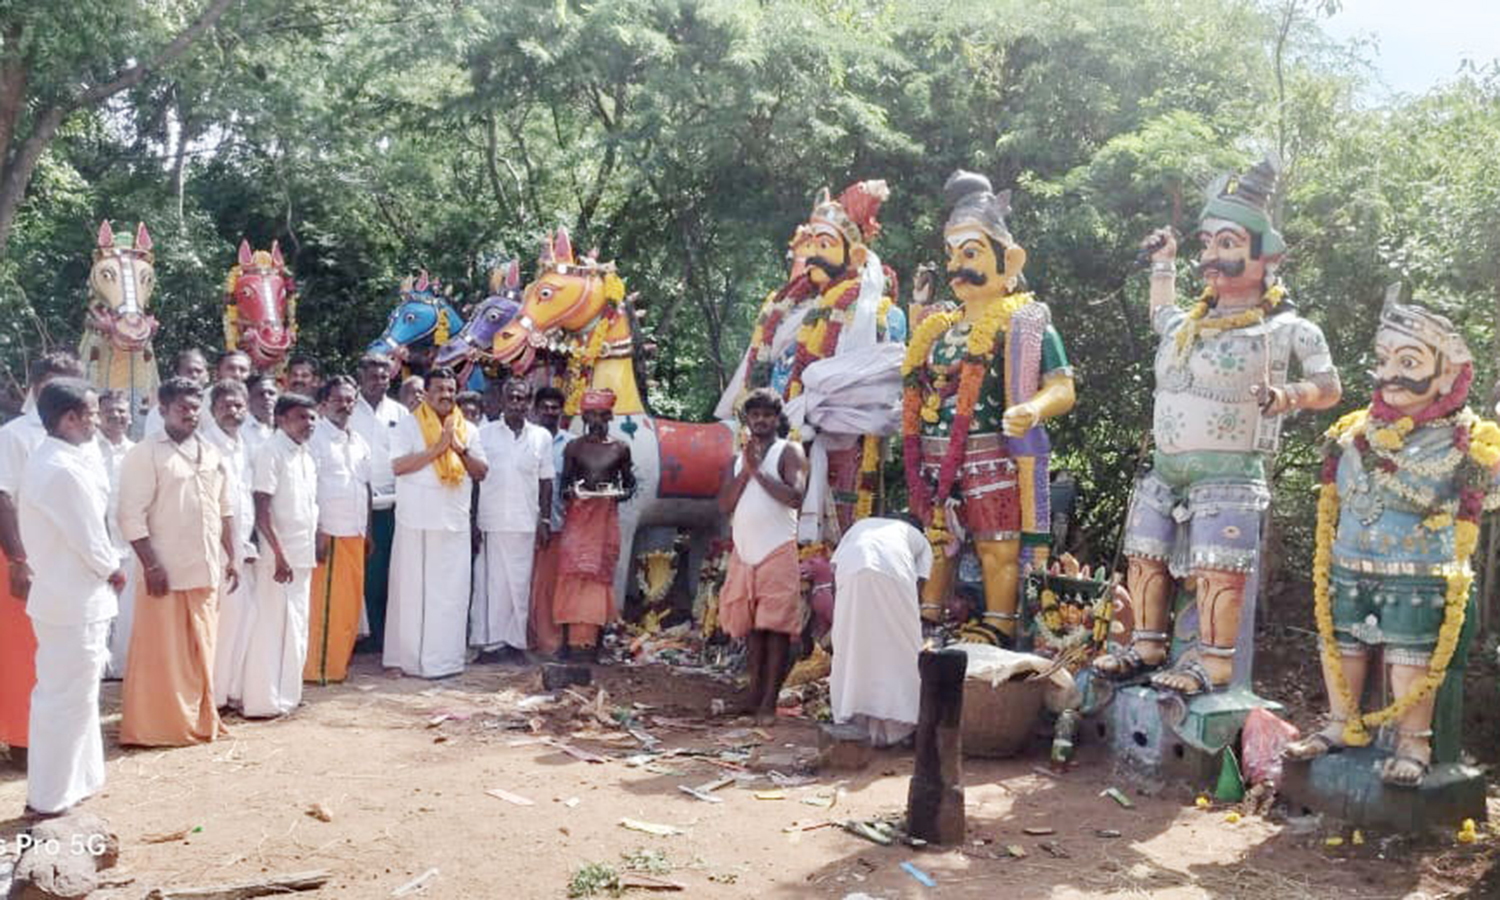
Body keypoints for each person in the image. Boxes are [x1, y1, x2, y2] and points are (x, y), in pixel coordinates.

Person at [1092, 158, 1342, 694]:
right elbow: (1162, 313)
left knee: (1216, 567)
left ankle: (1215, 664)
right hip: (1165, 469)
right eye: (1207, 245)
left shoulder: (1285, 329)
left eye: (1227, 245)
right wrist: (1165, 263)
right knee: (1144, 553)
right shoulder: (1187, 325)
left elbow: (1329, 386)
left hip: (1228, 473)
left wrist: (1286, 396)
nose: (1212, 259)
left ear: (1264, 255)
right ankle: (1145, 647)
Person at [1284, 299, 1499, 786]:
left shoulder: (1466, 441)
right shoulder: (1356, 431)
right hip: (1350, 563)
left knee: (1409, 655)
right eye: (1384, 361)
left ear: (1447, 375)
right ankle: (1342, 724)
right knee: (1341, 646)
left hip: (1417, 569)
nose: (1390, 374)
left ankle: (1412, 743)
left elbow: (1486, 500)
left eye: (1409, 362)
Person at [903, 171, 1076, 646]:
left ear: (1010, 260)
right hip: (936, 458)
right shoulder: (940, 327)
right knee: (938, 543)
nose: (958, 267)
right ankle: (929, 615)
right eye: (952, 255)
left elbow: (1063, 387)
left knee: (997, 544)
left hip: (993, 456)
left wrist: (1033, 409)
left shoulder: (1025, 321)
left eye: (972, 253)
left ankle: (998, 621)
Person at [19, 379, 125, 816]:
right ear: (70, 419)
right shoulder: (59, 468)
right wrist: (113, 569)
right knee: (62, 700)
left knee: (78, 697)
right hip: (71, 599)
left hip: (74, 597)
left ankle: (76, 782)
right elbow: (90, 539)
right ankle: (48, 798)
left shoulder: (64, 458)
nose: (98, 423)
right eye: (93, 415)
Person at [117, 377, 238, 746]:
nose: (190, 414)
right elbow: (130, 517)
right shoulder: (145, 453)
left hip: (205, 569)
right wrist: (151, 565)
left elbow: (225, 509)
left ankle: (200, 721)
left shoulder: (212, 452)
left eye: (195, 407)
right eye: (183, 407)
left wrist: (232, 556)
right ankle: (154, 729)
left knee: (204, 648)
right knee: (161, 654)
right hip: (164, 573)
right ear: (163, 410)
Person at [0, 351, 86, 762]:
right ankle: (22, 740)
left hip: (66, 558)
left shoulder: (83, 432)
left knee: (60, 650)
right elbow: (3, 497)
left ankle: (57, 740)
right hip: (26, 559)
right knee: (23, 651)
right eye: (57, 383)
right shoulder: (17, 434)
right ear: (36, 387)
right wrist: (18, 560)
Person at [385, 367, 487, 678]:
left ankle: (444, 661)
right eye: (439, 389)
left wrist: (458, 447)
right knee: (411, 593)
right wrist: (436, 450)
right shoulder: (407, 425)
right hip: (415, 520)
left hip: (452, 521)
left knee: (450, 594)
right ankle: (410, 661)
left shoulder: (467, 429)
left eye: (450, 390)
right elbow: (399, 466)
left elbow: (481, 471)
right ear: (426, 394)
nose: (446, 395)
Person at [717, 388, 807, 725]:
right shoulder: (737, 460)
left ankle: (769, 702)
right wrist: (746, 469)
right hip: (744, 552)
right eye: (754, 415)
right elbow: (724, 504)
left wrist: (758, 470)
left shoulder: (790, 451)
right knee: (753, 629)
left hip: (777, 550)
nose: (760, 420)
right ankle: (754, 697)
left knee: (776, 630)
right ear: (747, 419)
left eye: (767, 415)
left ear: (777, 418)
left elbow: (795, 496)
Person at [240, 393, 319, 717]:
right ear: (282, 419)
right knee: (270, 627)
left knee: (296, 627)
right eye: (302, 417)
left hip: (302, 553)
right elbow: (262, 509)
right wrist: (279, 554)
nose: (309, 424)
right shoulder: (270, 452)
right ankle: (262, 701)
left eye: (312, 418)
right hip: (278, 557)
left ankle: (288, 696)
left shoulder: (305, 454)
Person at [829, 516, 932, 747]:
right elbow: (917, 591)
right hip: (894, 573)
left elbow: (834, 570)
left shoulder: (861, 525)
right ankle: (900, 724)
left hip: (851, 571)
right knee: (902, 648)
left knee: (853, 643)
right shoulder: (922, 541)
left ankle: (851, 715)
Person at [471, 379, 552, 662]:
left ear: (530, 403)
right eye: (512, 398)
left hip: (525, 521)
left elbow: (545, 481)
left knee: (519, 584)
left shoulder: (542, 437)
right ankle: (490, 646)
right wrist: (473, 524)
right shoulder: (484, 434)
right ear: (502, 401)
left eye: (522, 398)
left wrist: (544, 519)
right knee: (489, 586)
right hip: (490, 520)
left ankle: (516, 644)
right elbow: (475, 483)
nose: (517, 403)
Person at [553, 388, 634, 659]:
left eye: (602, 414)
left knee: (600, 578)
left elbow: (629, 487)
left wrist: (613, 494)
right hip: (578, 521)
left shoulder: (620, 449)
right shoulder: (574, 447)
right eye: (591, 414)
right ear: (584, 417)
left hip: (605, 522)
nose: (597, 420)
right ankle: (566, 643)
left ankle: (596, 645)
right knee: (571, 577)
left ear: (610, 416)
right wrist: (574, 493)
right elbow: (564, 487)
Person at [305, 376, 371, 683]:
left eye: (349, 400)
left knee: (349, 606)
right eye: (338, 400)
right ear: (323, 404)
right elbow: (310, 487)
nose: (345, 406)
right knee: (324, 605)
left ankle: (337, 667)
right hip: (329, 531)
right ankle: (318, 670)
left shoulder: (358, 441)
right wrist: (318, 530)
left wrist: (367, 530)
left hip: (354, 532)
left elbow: (365, 487)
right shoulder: (315, 438)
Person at [200, 379, 258, 710]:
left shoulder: (243, 445)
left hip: (239, 549)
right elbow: (217, 507)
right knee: (222, 626)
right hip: (217, 551)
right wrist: (232, 552)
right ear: (213, 410)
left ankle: (225, 693)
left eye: (238, 405)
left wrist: (243, 547)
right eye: (225, 405)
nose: (232, 411)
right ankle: (213, 698)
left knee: (242, 620)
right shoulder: (207, 447)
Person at [350, 353, 407, 651]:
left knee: (387, 573)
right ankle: (361, 637)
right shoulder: (348, 409)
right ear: (361, 377)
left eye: (384, 377)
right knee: (362, 573)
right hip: (356, 505)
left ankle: (384, 638)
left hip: (392, 504)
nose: (378, 382)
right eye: (372, 376)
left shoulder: (400, 412)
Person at [528, 386, 570, 655]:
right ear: (536, 409)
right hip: (523, 524)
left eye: (555, 408)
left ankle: (548, 642)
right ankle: (522, 639)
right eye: (545, 407)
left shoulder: (572, 444)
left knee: (548, 587)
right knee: (524, 583)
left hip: (558, 526)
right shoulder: (528, 438)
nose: (550, 412)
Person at [98, 390, 137, 680]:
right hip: (97, 544)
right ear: (98, 416)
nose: (116, 416)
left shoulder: (137, 453)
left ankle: (121, 672)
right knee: (99, 611)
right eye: (109, 411)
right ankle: (98, 670)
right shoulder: (87, 450)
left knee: (126, 613)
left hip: (129, 543)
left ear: (131, 416)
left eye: (122, 411)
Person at [143, 348, 209, 437]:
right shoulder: (161, 412)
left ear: (207, 376)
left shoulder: (218, 405)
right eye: (189, 371)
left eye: (199, 371)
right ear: (177, 375)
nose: (194, 375)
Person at [244, 373, 278, 450]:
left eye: (271, 393)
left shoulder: (286, 426)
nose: (267, 397)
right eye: (260, 394)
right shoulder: (240, 430)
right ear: (247, 399)